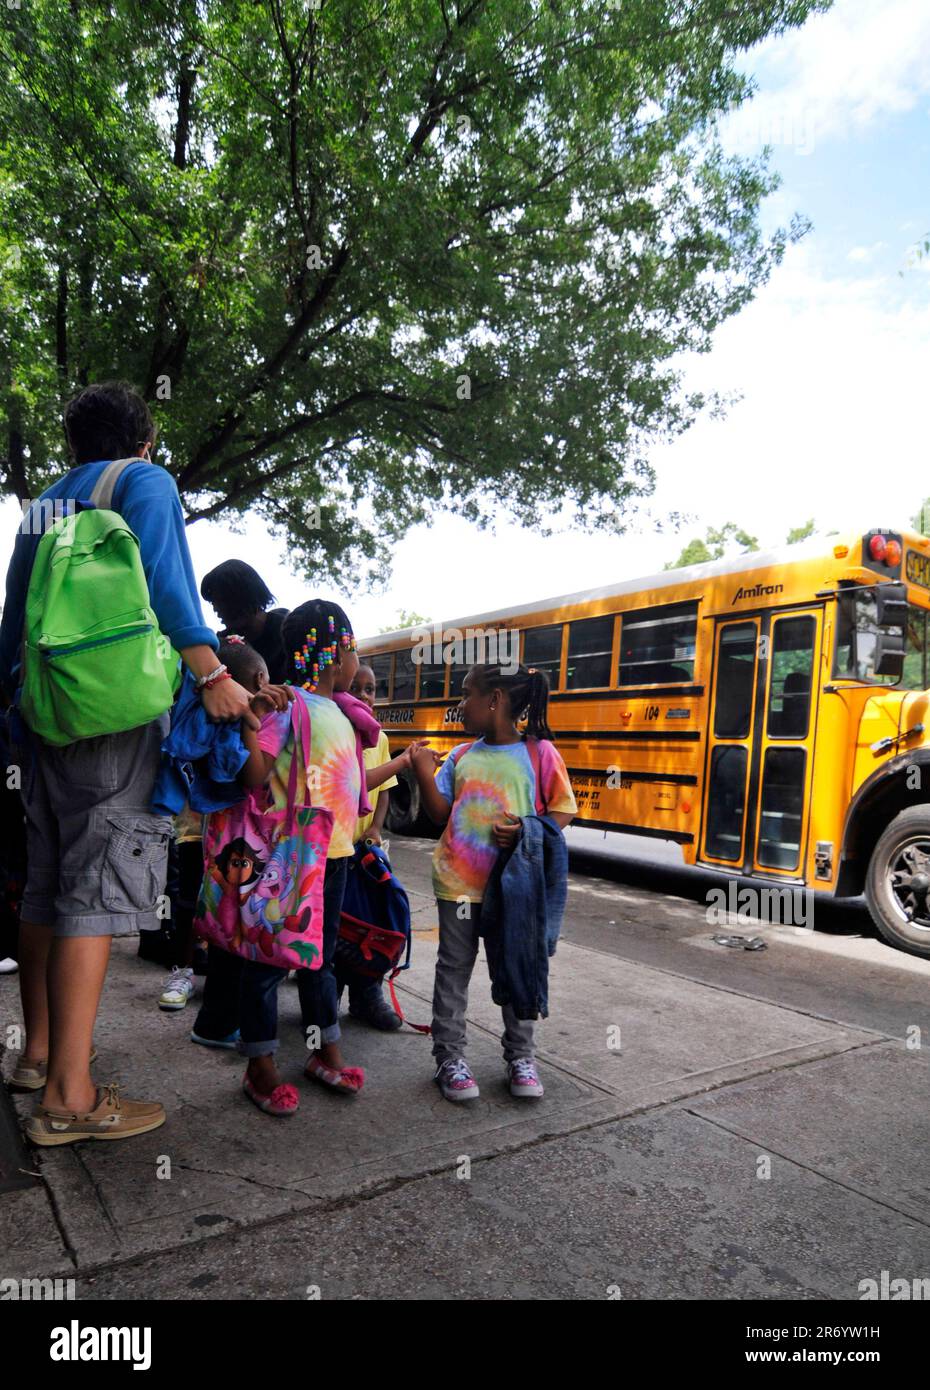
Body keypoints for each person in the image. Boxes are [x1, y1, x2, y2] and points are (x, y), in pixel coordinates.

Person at [0, 381, 257, 1144]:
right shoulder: (145, 482)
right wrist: (212, 674)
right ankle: (70, 1100)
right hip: (111, 713)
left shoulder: (43, 505)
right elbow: (169, 589)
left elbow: (14, 619)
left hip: (42, 714)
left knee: (48, 884)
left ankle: (39, 1057)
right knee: (95, 888)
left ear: (76, 444)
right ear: (143, 440)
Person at [410, 663, 577, 1103]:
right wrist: (424, 772)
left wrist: (527, 829)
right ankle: (449, 1057)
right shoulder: (463, 756)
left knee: (519, 964)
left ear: (495, 700)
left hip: (515, 888)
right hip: (458, 883)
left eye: (466, 694)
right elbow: (439, 813)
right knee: (453, 969)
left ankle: (521, 1055)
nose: (460, 705)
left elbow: (563, 811)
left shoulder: (540, 753)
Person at [158, 637, 272, 1013]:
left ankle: (199, 973)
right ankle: (185, 970)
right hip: (202, 833)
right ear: (257, 679)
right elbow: (248, 774)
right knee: (195, 903)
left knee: (205, 903)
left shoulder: (218, 709)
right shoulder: (225, 715)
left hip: (212, 833)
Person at [338, 663, 405, 1030]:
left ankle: (367, 995)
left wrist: (377, 828)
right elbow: (356, 784)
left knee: (372, 920)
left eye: (372, 688)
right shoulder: (339, 731)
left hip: (364, 852)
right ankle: (324, 998)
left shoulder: (379, 738)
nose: (365, 695)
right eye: (358, 687)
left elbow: (384, 791)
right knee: (337, 926)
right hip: (335, 849)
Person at [201, 560, 290, 683]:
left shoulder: (289, 633)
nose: (216, 609)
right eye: (213, 602)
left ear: (244, 596)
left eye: (222, 601)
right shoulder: (220, 644)